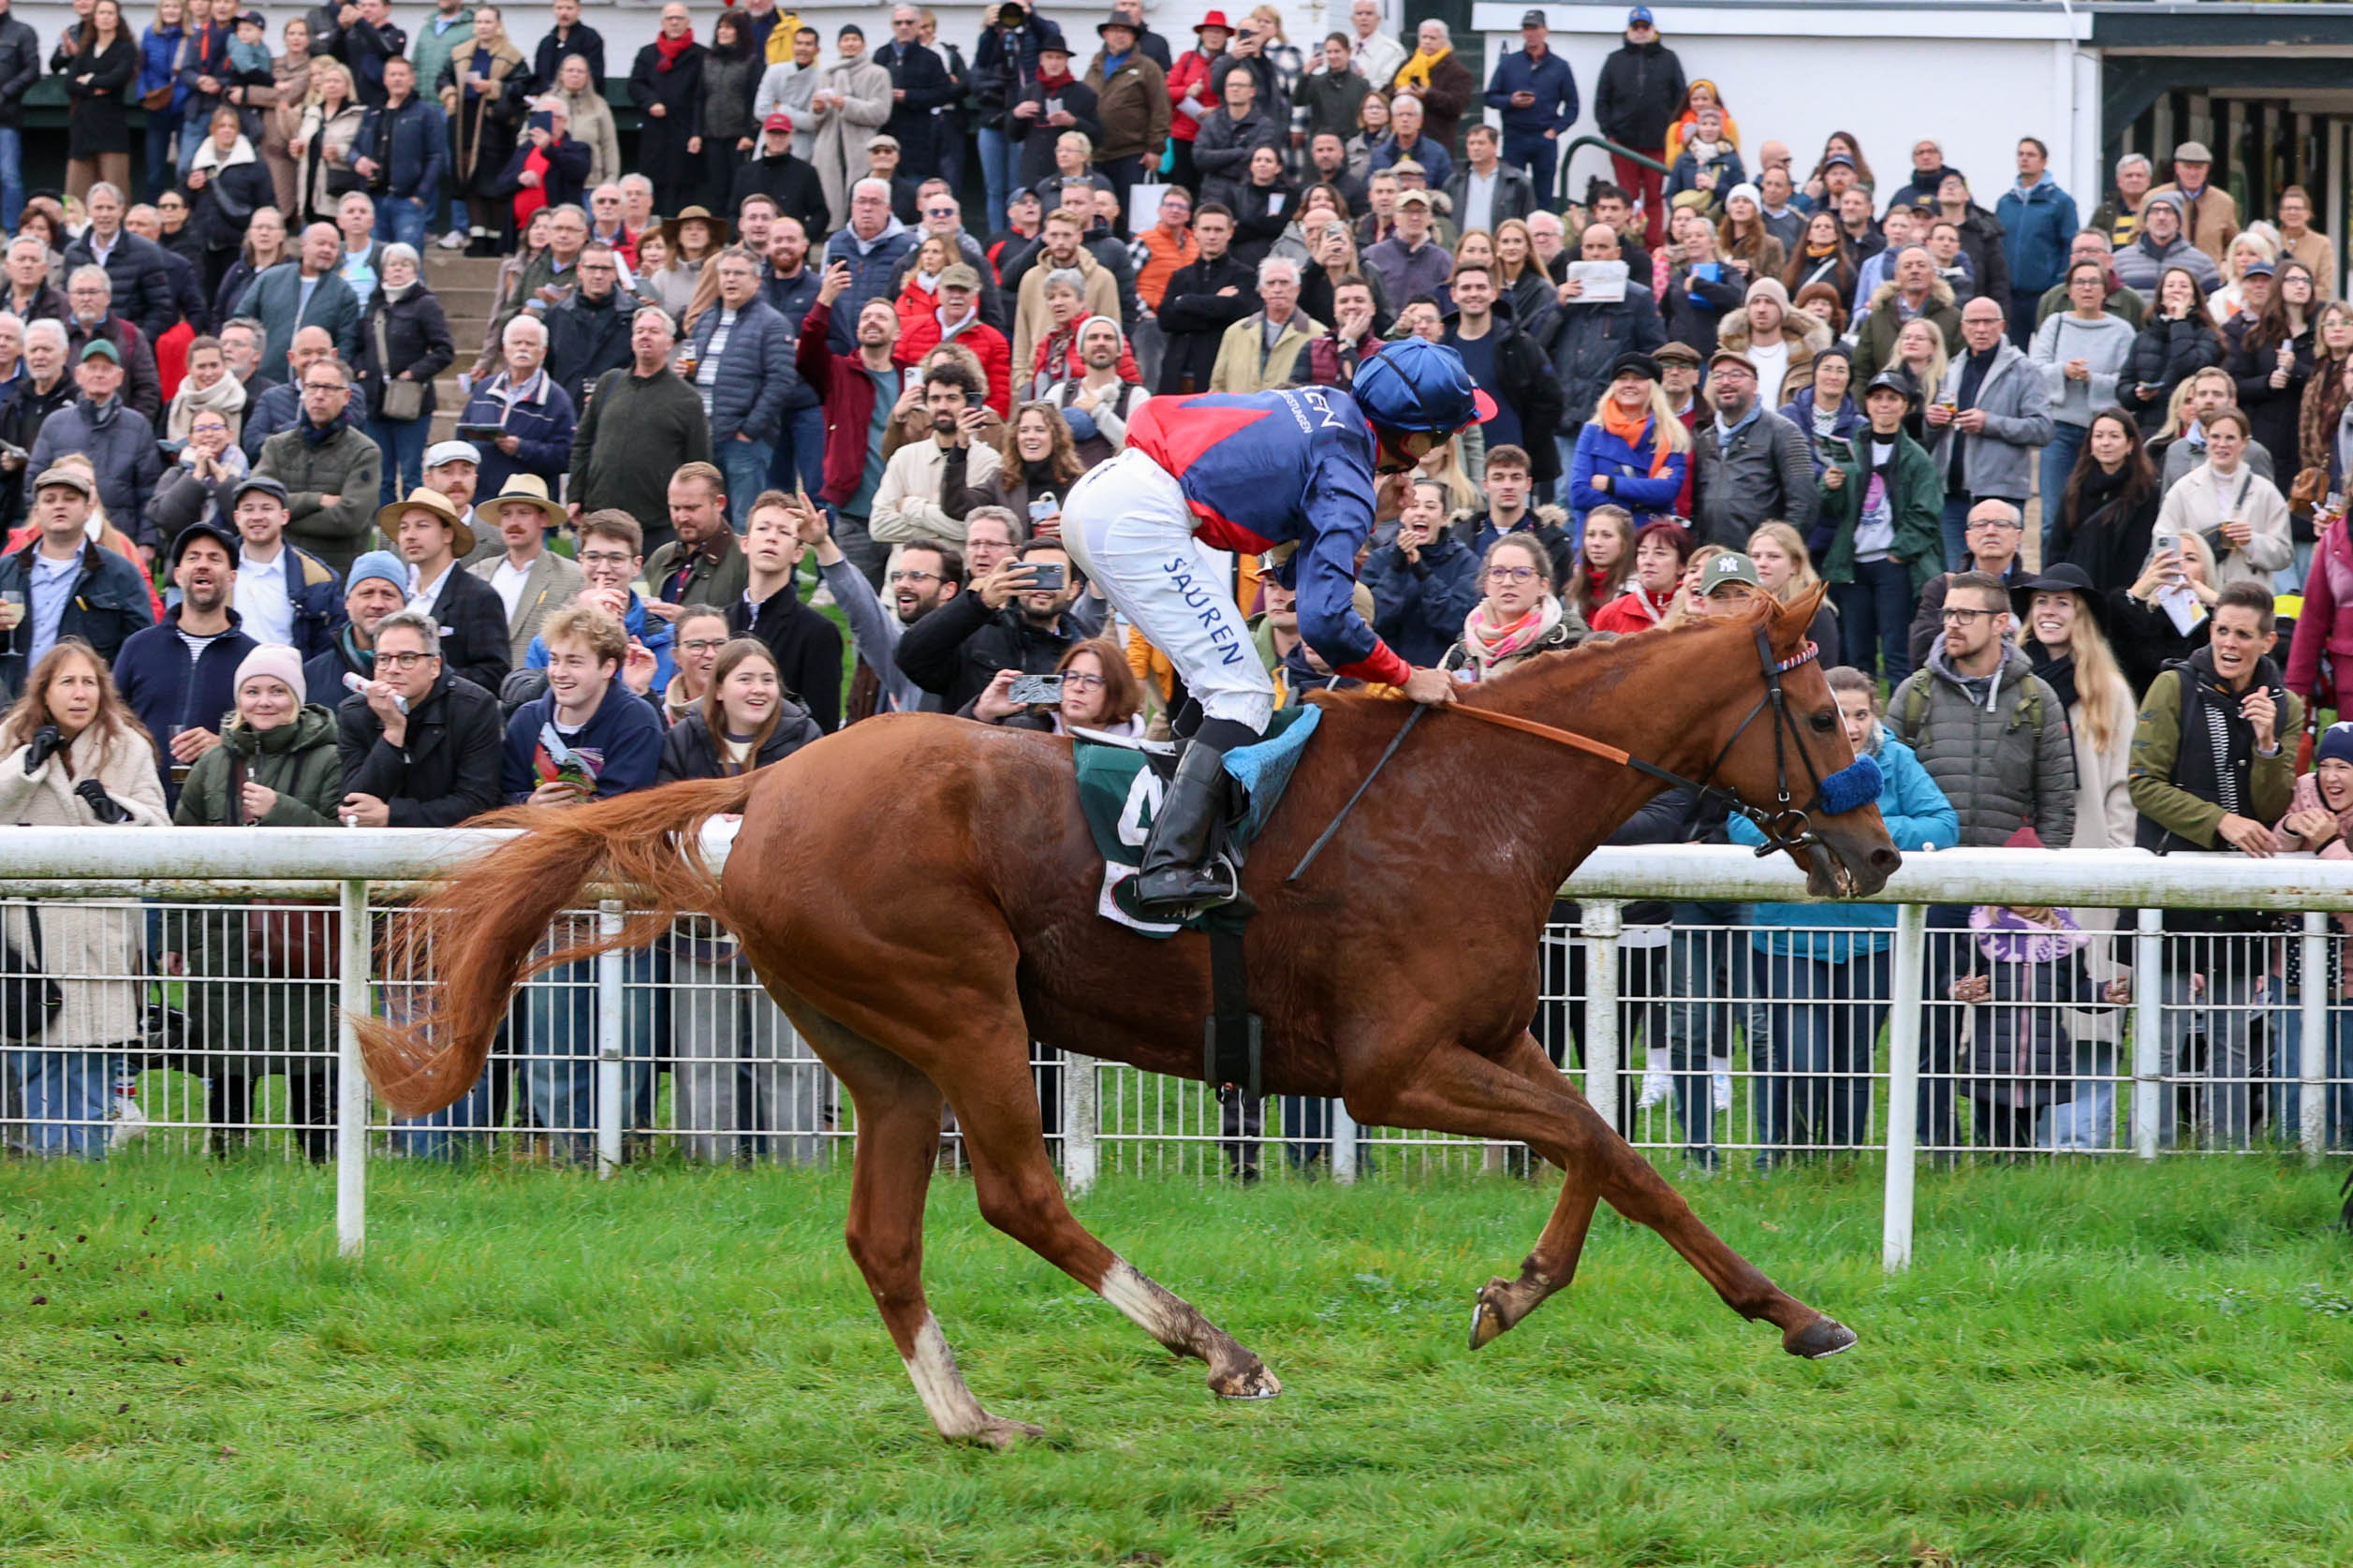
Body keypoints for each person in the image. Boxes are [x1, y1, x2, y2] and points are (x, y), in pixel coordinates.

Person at [1729, 664, 1954, 1164]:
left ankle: (1842, 1163)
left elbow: (1943, 824)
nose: (1851, 727)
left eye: (1861, 714)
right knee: (1803, 1062)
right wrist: (1825, 831)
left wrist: (1859, 830)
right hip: (1792, 935)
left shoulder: (1896, 760)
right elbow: (1741, 826)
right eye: (1838, 714)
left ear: (1875, 716)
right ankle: (1791, 1157)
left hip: (1871, 936)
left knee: (1853, 1063)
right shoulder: (1781, 759)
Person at [1890, 567, 2076, 1153]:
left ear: (2001, 623)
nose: (1951, 625)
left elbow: (2058, 802)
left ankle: (2007, 1153)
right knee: (1931, 1024)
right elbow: (1886, 787)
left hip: (2009, 895)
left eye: (1964, 615)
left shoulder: (2036, 697)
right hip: (1933, 888)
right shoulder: (1914, 693)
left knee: (2012, 1024)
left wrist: (2034, 885)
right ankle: (1930, 1148)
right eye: (1947, 614)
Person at [2126, 579, 2295, 1147]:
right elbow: (2143, 785)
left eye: (2243, 634)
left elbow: (2272, 808)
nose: (2229, 642)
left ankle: (2227, 1157)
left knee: (2231, 1041)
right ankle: (2150, 1152)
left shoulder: (2285, 705)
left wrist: (2268, 747)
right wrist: (2219, 821)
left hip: (2239, 896)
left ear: (2266, 642)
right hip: (2172, 883)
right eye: (2221, 629)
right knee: (2163, 1035)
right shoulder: (2173, 686)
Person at [164, 641, 344, 1156]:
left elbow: (341, 841)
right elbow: (182, 859)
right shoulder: (212, 764)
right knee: (228, 1059)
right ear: (238, 699)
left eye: (277, 690)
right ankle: (228, 1164)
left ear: (298, 697)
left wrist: (280, 809)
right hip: (225, 939)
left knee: (311, 1057)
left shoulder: (330, 758)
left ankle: (320, 1164)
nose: (265, 701)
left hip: (303, 944)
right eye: (253, 691)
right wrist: (178, 936)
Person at [654, 633, 825, 1161]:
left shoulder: (806, 736)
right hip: (700, 923)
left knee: (790, 1050)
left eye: (768, 679)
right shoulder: (683, 741)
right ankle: (712, 1161)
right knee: (704, 1050)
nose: (759, 689)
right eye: (746, 678)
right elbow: (662, 814)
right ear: (719, 687)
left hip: (784, 924)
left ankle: (798, 1162)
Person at [0, 637, 167, 1157]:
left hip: (100, 929)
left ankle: (86, 1162)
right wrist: (27, 767)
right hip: (32, 935)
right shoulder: (10, 738)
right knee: (36, 1054)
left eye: (89, 682)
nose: (80, 693)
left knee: (93, 1057)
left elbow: (162, 831)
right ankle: (47, 1160)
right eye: (67, 682)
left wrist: (114, 808)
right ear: (44, 691)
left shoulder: (129, 747)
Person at [108, 519, 254, 803]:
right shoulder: (138, 647)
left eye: (215, 558)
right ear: (177, 574)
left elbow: (271, 738)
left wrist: (224, 744)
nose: (203, 565)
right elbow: (109, 721)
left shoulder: (253, 658)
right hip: (143, 806)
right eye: (193, 557)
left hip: (221, 810)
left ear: (232, 576)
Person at [1813, 368, 1941, 681]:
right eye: (1878, 397)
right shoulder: (1851, 449)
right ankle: (1861, 721)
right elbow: (1832, 510)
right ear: (1867, 405)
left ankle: (1900, 723)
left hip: (1892, 565)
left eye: (1892, 398)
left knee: (1897, 651)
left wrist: (1897, 553)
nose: (1884, 405)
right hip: (1853, 564)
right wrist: (1829, 486)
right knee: (1858, 654)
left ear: (1905, 406)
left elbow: (1926, 515)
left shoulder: (1917, 458)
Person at [332, 605, 503, 828]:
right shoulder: (354, 712)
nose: (392, 669)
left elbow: (478, 802)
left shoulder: (474, 708)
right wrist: (393, 731)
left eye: (407, 658)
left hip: (453, 847)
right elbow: (355, 804)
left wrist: (393, 816)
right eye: (383, 659)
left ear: (434, 666)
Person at [567, 307, 710, 559]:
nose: (646, 336)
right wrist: (575, 495)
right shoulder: (609, 384)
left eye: (654, 331)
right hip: (601, 517)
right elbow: (583, 443)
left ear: (669, 343)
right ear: (632, 340)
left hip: (656, 527)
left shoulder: (687, 399)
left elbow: (698, 467)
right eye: (640, 331)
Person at [1924, 295, 2052, 571]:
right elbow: (1937, 433)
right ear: (1963, 328)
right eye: (1974, 322)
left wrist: (1989, 423)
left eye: (1988, 322)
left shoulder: (2024, 370)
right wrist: (1932, 420)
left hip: (1999, 494)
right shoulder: (1954, 368)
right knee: (1957, 579)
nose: (1981, 329)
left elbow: (2042, 429)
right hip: (1952, 494)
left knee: (1998, 578)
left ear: (2003, 326)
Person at [894, 531, 1081, 714]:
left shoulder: (1082, 654)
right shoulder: (978, 635)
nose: (1041, 586)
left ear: (1073, 589)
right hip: (971, 741)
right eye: (1031, 575)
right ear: (1014, 578)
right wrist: (980, 603)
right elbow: (910, 656)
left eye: (1052, 575)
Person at [724, 492, 843, 734]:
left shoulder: (817, 632)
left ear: (798, 553)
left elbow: (822, 727)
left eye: (784, 532)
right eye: (763, 528)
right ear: (745, 543)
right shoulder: (721, 622)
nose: (771, 538)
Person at [2151, 405, 2290, 594]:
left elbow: (2284, 555)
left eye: (2230, 438)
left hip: (2248, 600)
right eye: (2215, 437)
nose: (2222, 444)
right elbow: (2163, 542)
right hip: (2196, 597)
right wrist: (2192, 557)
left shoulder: (2266, 492)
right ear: (2206, 439)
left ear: (2244, 443)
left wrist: (2251, 541)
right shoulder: (2182, 489)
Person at [1691, 348, 1815, 550]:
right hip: (1713, 559)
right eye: (1718, 376)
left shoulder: (1783, 432)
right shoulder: (1705, 439)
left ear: (1755, 385)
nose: (1726, 382)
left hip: (1760, 561)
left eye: (1736, 375)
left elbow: (1804, 504)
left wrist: (1778, 553)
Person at [1360, 474, 1479, 667]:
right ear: (1402, 515)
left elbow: (1458, 624)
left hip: (1445, 673)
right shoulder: (1380, 559)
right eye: (1414, 506)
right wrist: (1396, 569)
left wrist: (1424, 574)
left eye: (1430, 507)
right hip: (1387, 675)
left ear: (1444, 518)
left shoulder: (1466, 562)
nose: (1421, 513)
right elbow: (1372, 621)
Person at [2049, 408, 2162, 596]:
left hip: (2124, 594)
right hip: (2079, 593)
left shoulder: (2146, 492)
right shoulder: (2076, 488)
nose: (2105, 443)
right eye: (2099, 436)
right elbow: (2058, 546)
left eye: (2114, 436)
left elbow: (2140, 551)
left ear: (2130, 444)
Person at [1083, 9, 1169, 228]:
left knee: (1131, 216)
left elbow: (1160, 108)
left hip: (1132, 154)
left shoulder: (1147, 68)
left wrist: (1155, 148)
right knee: (1097, 212)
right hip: (1097, 154)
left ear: (1134, 36)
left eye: (1125, 31)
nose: (1119, 35)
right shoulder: (1095, 65)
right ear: (1105, 35)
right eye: (1114, 31)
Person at [1994, 136, 2080, 346]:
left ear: (2044, 161)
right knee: (2012, 353)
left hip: (2044, 293)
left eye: (2031, 155)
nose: (2024, 159)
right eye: (2020, 154)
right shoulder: (2005, 202)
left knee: (2049, 350)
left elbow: (2069, 245)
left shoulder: (2061, 202)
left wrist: (2058, 284)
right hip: (2011, 295)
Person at [2112, 191, 2221, 301]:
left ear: (2178, 221)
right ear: (2146, 220)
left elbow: (2211, 308)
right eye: (2155, 211)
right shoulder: (2119, 261)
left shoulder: (2202, 264)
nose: (2161, 217)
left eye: (2168, 211)